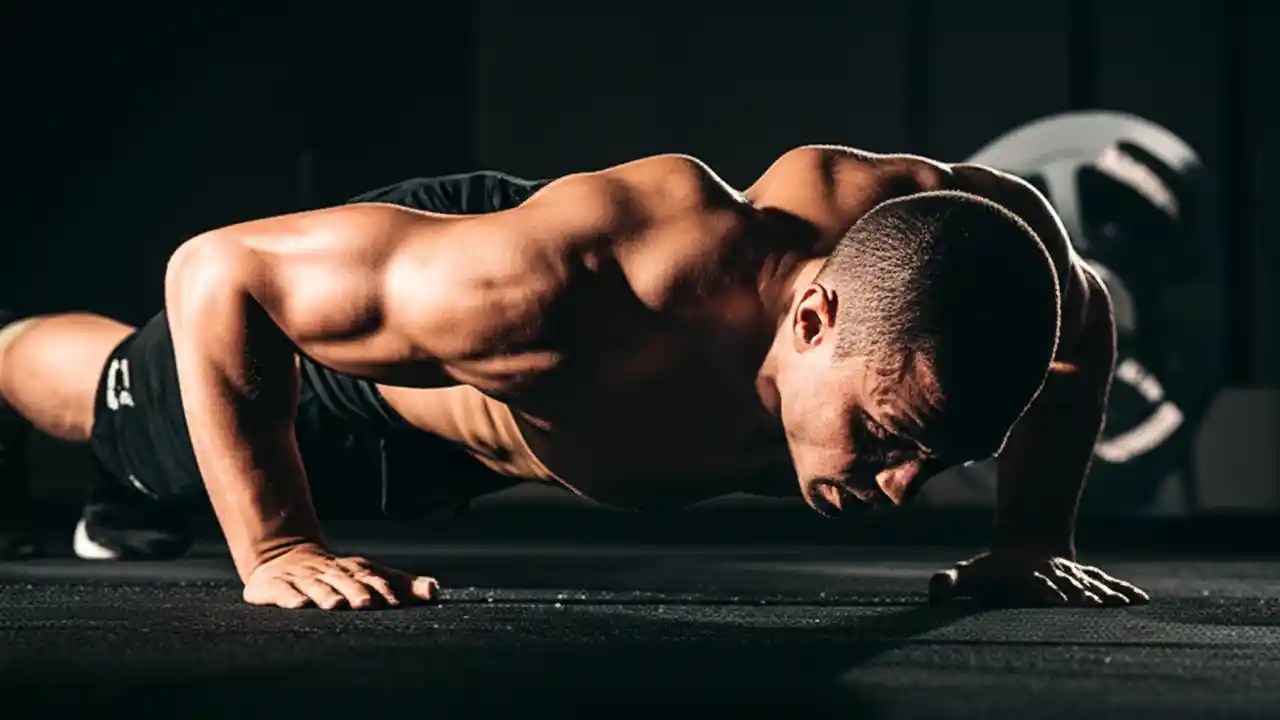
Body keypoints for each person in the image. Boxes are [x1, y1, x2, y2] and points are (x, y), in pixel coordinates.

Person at [0, 146, 1149, 610]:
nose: (902, 489)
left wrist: (1028, 540)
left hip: (557, 413)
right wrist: (279, 547)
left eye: (942, 458)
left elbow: (1081, 321)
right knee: (122, 395)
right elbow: (218, 271)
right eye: (889, 435)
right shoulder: (534, 298)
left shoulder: (984, 269)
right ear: (810, 317)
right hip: (379, 405)